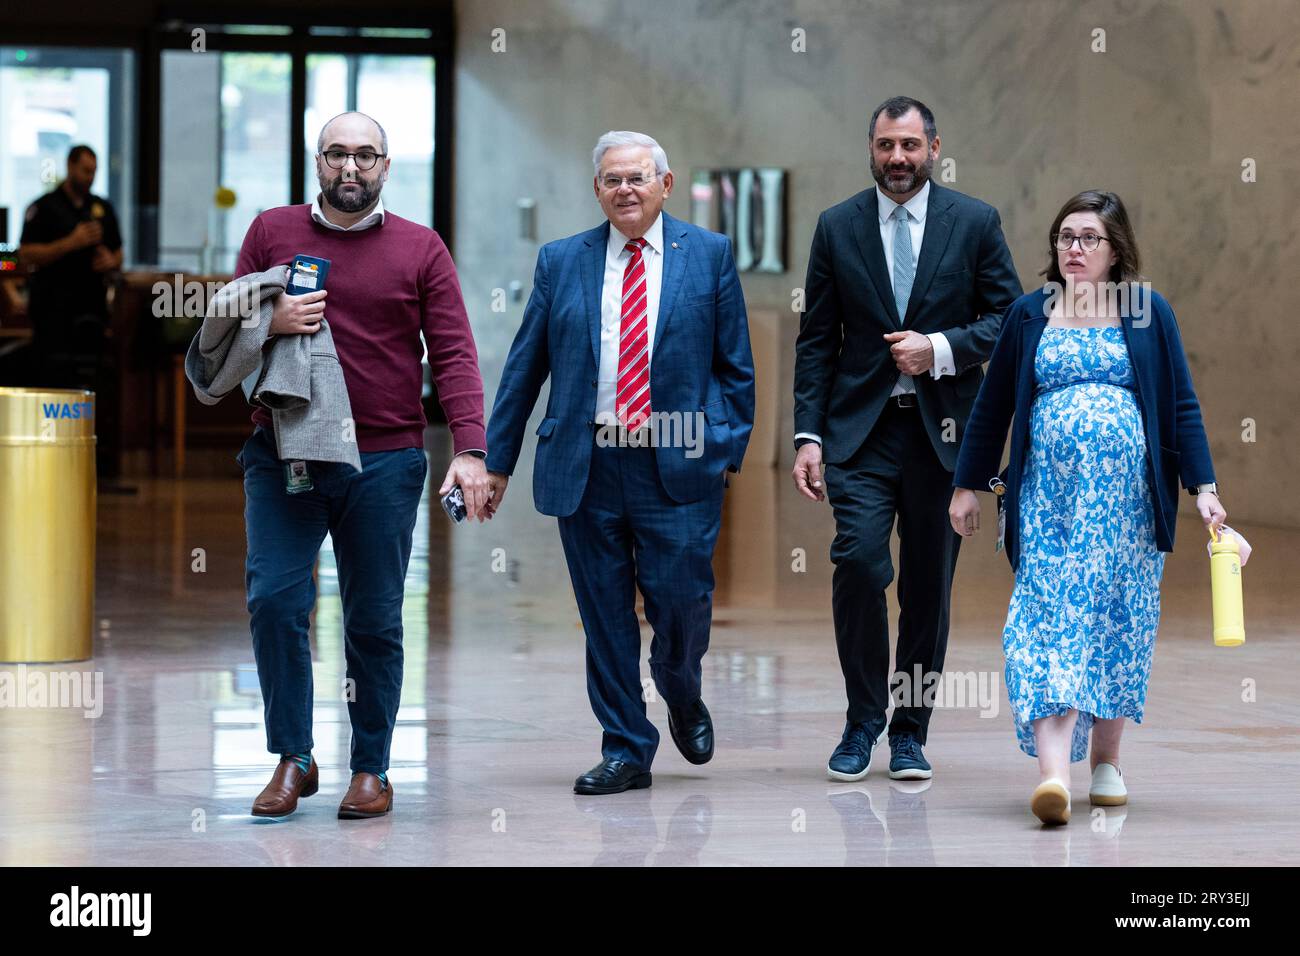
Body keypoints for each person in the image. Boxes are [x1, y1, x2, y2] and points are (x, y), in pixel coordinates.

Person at [233, 111, 490, 819]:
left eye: (366, 156)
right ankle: (294, 756)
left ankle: (371, 767)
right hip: (284, 455)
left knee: (374, 617)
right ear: (317, 162)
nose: (351, 168)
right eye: (337, 154)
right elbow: (227, 329)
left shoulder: (421, 248)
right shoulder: (270, 233)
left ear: (385, 166)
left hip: (384, 460)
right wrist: (271, 322)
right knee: (276, 600)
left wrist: (469, 448)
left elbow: (456, 353)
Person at [484, 131, 755, 795]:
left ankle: (681, 689)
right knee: (604, 614)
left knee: (682, 605)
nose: (625, 189)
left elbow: (735, 368)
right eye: (612, 179)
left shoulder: (710, 256)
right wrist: (496, 460)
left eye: (637, 177)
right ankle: (627, 747)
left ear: (665, 183)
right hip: (589, 463)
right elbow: (525, 367)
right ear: (597, 189)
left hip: (678, 462)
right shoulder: (562, 261)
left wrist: (718, 445)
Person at [949, 190, 1224, 825]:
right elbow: (993, 409)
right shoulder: (1029, 313)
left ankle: (1106, 762)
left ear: (1115, 249)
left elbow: (1181, 405)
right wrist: (968, 484)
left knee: (1117, 626)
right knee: (1044, 624)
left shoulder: (1147, 312)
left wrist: (1204, 490)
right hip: (1051, 506)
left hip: (1128, 511)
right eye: (1064, 237)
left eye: (1088, 239)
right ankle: (1054, 778)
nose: (1073, 249)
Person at [792, 96, 1022, 783]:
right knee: (860, 563)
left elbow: (1010, 319)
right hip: (859, 435)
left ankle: (910, 733)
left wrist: (941, 348)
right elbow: (815, 341)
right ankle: (862, 720)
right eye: (887, 145)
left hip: (943, 436)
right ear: (871, 147)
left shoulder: (975, 222)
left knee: (929, 589)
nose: (898, 158)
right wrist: (808, 435)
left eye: (911, 146)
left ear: (934, 147)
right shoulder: (837, 226)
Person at [17, 144, 123, 386]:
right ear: (70, 166)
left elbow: (118, 253)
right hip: (53, 309)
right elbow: (26, 253)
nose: (90, 177)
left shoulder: (102, 208)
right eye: (85, 170)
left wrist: (111, 260)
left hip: (92, 308)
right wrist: (70, 243)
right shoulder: (44, 207)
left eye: (94, 171)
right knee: (52, 375)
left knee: (91, 376)